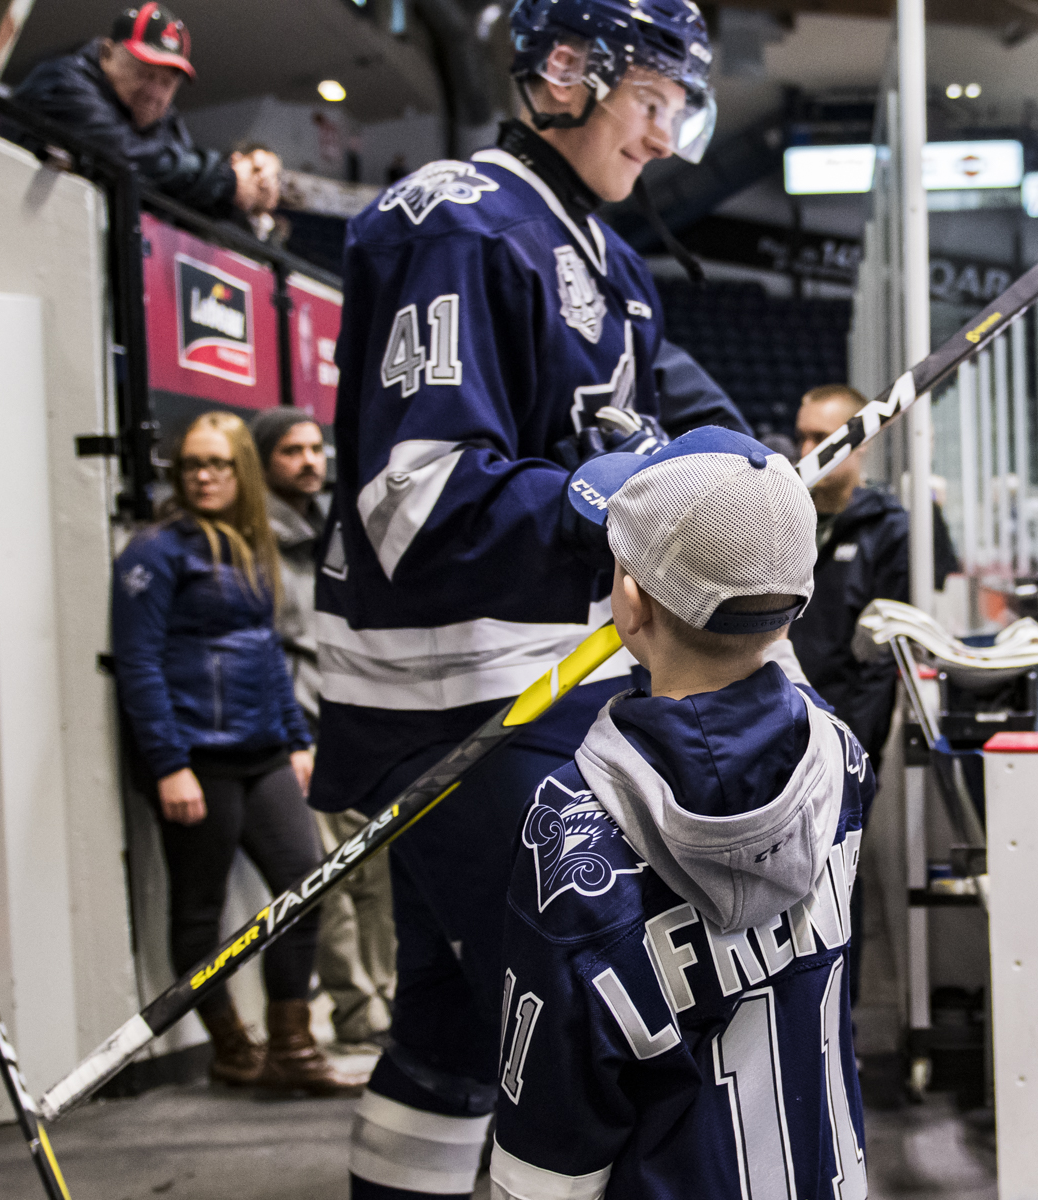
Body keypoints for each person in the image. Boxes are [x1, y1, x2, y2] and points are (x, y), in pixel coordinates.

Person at [311, 2, 762, 1194]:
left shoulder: (604, 255)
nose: (666, 138)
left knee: (456, 1034)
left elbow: (668, 427)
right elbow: (414, 497)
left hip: (531, 692)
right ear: (568, 73)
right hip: (459, 704)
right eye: (653, 102)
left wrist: (726, 459)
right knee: (587, 1026)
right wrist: (605, 501)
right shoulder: (457, 221)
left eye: (682, 110)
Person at [489, 427, 873, 1200]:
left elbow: (553, 1134)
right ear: (792, 609)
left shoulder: (571, 826)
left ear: (628, 602)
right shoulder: (841, 753)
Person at [110, 411, 366, 1096]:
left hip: (264, 753)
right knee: (200, 910)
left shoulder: (248, 546)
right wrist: (169, 763)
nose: (202, 475)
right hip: (196, 758)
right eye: (190, 463)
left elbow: (265, 653)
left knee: (304, 888)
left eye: (217, 463)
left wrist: (295, 740)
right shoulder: (154, 551)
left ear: (240, 471)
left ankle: (292, 1048)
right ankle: (230, 1046)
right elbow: (138, 665)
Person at [253, 407, 397, 1051]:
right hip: (303, 729)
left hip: (356, 720)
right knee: (330, 883)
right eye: (291, 451)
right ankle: (355, 1010)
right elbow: (267, 650)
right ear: (262, 461)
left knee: (378, 874)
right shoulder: (253, 542)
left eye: (315, 449)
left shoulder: (335, 526)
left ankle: (389, 1000)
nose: (310, 461)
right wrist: (293, 738)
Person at [788, 383, 960, 765]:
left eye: (821, 438)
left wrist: (854, 751)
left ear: (860, 441)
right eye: (802, 437)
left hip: (839, 729)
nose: (806, 452)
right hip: (775, 718)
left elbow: (882, 661)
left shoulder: (890, 530)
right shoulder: (783, 517)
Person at [11, 5, 272, 219]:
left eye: (167, 83)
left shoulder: (167, 125)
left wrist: (245, 195)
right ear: (107, 53)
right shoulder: (64, 81)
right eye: (145, 73)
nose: (155, 92)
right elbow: (124, 153)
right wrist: (224, 180)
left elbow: (181, 195)